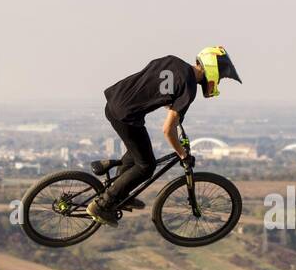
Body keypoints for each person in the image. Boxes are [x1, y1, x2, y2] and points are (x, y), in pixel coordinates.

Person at [88, 46, 241, 225]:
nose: (219, 80)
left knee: (136, 153)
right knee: (146, 166)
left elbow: (155, 85)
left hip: (114, 103)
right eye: (220, 76)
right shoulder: (189, 87)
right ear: (213, 69)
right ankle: (103, 204)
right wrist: (182, 154)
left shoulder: (172, 61)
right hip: (126, 116)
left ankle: (121, 194)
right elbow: (168, 130)